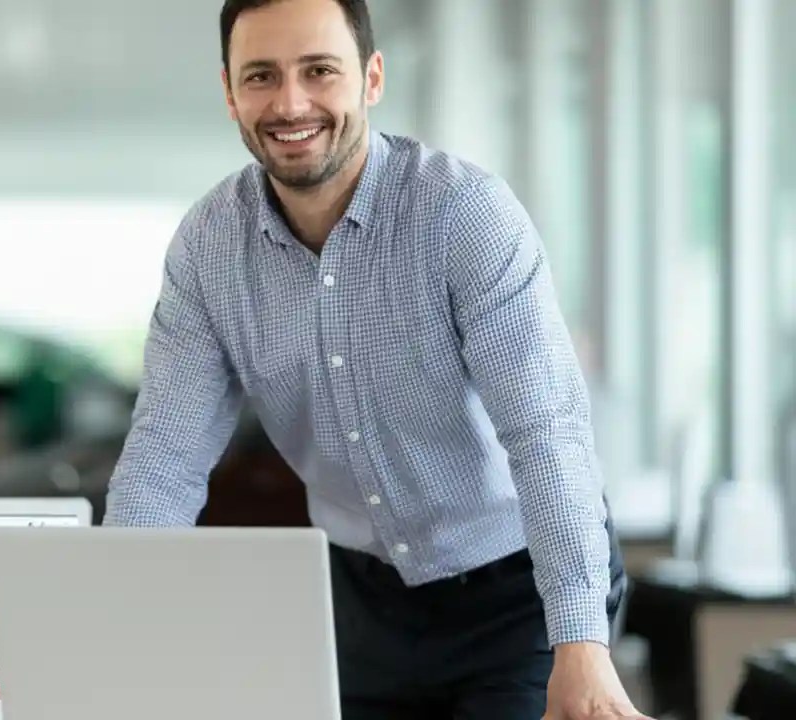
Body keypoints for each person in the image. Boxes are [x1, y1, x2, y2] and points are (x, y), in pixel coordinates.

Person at [102, 0, 650, 718]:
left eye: (319, 71)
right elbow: (164, 458)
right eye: (262, 76)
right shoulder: (209, 248)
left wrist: (581, 645)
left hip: (519, 590)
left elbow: (546, 433)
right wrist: (113, 635)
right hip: (359, 597)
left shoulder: (464, 215)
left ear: (371, 78)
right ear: (231, 94)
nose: (290, 102)